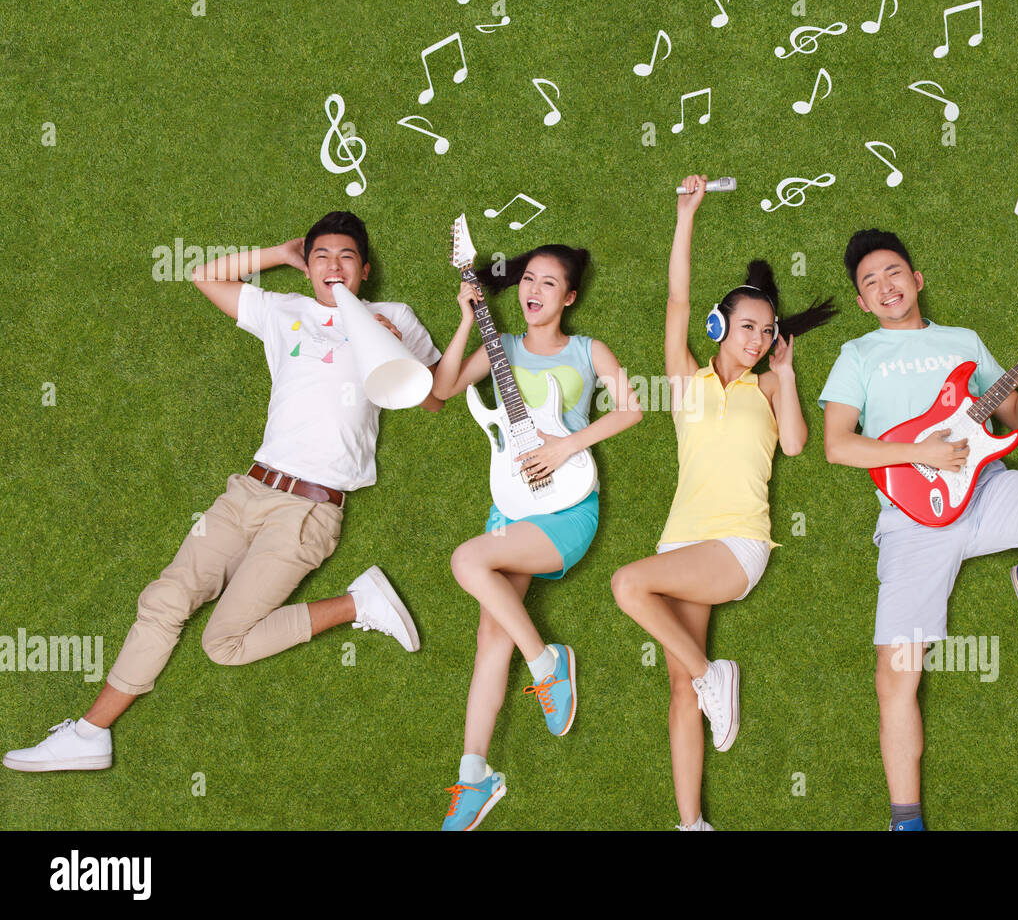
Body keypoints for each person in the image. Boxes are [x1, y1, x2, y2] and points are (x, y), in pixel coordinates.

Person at [3, 211, 441, 773]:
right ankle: (90, 733)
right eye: (321, 256)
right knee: (163, 599)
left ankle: (359, 603)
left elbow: (433, 395)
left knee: (223, 645)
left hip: (308, 509)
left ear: (365, 270)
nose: (333, 266)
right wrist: (278, 254)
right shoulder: (284, 311)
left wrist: (396, 346)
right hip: (247, 490)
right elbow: (204, 275)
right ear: (307, 267)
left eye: (346, 257)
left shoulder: (392, 316)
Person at [820, 228, 1018, 830]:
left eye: (894, 272)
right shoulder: (858, 355)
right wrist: (916, 450)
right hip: (913, 516)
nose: (885, 286)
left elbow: (1017, 418)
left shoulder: (963, 343)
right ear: (862, 303)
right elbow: (837, 446)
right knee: (895, 675)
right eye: (870, 282)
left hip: (986, 492)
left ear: (917, 279)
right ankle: (906, 821)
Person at [611, 174, 836, 830]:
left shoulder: (769, 387)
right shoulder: (686, 379)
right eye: (747, 327)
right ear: (722, 324)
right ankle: (692, 823)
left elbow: (795, 445)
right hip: (682, 543)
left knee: (627, 586)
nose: (758, 339)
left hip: (737, 546)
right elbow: (677, 297)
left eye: (767, 331)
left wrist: (788, 377)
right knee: (680, 688)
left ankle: (717, 677)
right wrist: (687, 213)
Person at [432, 242, 641, 831]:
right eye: (528, 279)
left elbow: (630, 411)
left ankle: (548, 662)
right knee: (488, 639)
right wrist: (467, 318)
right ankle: (475, 775)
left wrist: (565, 445)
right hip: (513, 505)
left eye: (550, 284)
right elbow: (443, 389)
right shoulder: (501, 350)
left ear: (569, 297)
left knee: (466, 562)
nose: (534, 290)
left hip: (567, 505)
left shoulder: (586, 349)